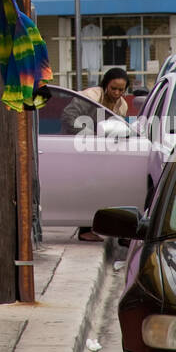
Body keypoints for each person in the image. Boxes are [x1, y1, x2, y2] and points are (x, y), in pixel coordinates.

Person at [76, 67, 130, 242]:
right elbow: (68, 115)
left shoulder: (122, 105)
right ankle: (84, 229)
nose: (116, 93)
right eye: (113, 88)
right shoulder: (91, 96)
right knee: (84, 185)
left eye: (121, 90)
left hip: (101, 150)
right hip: (79, 146)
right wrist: (88, 135)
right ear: (106, 85)